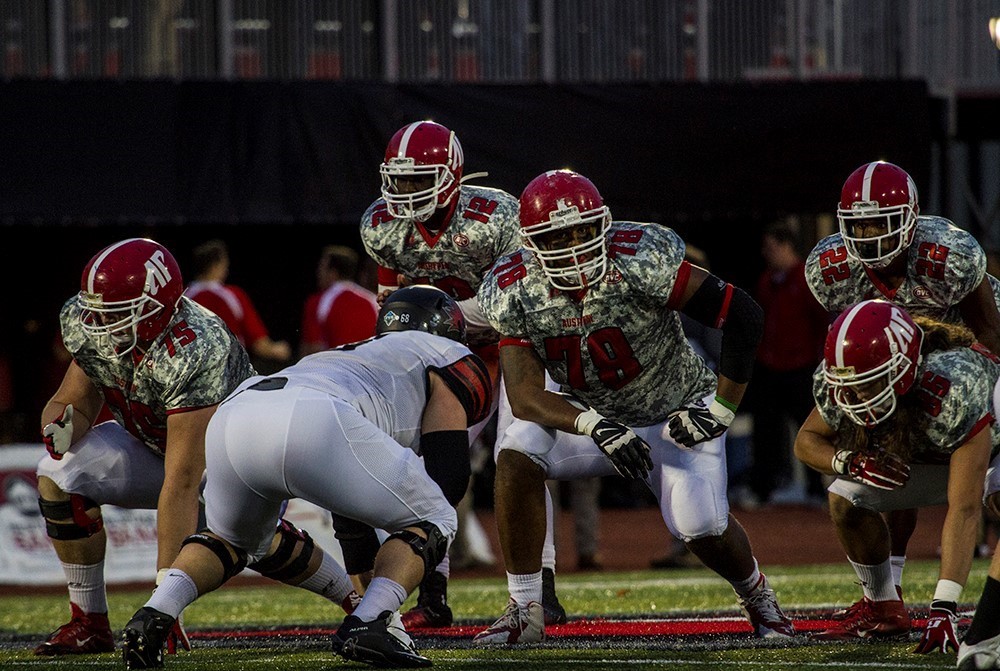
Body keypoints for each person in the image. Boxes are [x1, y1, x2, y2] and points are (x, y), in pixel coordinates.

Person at [473, 169, 794, 644]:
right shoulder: (513, 286)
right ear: (530, 242)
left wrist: (722, 410)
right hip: (596, 419)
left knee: (700, 525)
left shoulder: (641, 258)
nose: (574, 247)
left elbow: (742, 314)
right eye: (558, 237)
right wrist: (593, 424)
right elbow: (524, 396)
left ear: (603, 224)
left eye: (583, 231)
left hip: (675, 414)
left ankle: (758, 596)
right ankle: (525, 609)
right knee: (516, 454)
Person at [121, 286, 493, 670]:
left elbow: (351, 518)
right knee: (436, 515)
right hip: (314, 419)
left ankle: (153, 614)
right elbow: (448, 477)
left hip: (238, 412)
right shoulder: (448, 354)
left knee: (232, 541)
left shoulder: (355, 354)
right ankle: (368, 623)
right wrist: (412, 584)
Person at [32, 238, 359, 659]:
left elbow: (183, 481)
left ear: (157, 306)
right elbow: (74, 400)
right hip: (156, 445)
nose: (99, 323)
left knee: (252, 543)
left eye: (116, 313)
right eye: (97, 311)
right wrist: (60, 424)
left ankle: (353, 599)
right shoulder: (92, 321)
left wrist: (164, 604)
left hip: (235, 460)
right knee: (58, 473)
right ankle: (89, 622)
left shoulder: (197, 345)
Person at [360, 119, 574, 628]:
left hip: (517, 344)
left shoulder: (495, 217)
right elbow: (390, 302)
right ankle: (432, 591)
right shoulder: (380, 224)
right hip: (447, 357)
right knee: (427, 464)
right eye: (399, 179)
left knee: (520, 455)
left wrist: (441, 311)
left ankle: (540, 586)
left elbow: (520, 296)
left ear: (451, 174)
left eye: (418, 179)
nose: (406, 192)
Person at [804, 160, 1000, 619]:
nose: (870, 235)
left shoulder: (948, 254)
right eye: (860, 224)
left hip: (966, 361)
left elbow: (990, 335)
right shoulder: (830, 269)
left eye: (881, 222)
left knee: (983, 488)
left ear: (910, 220)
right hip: (891, 366)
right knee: (882, 447)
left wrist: (972, 399)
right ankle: (884, 596)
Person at [794, 299, 1000, 653]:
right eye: (850, 384)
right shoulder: (844, 379)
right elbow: (806, 440)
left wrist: (943, 608)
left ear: (903, 368)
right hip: (935, 454)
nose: (856, 395)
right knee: (845, 497)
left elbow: (964, 509)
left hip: (992, 449)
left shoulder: (955, 385)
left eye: (868, 383)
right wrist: (849, 462)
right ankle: (882, 607)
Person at [746, 222, 829, 506]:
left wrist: (820, 361)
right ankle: (763, 488)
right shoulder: (767, 280)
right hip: (770, 365)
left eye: (771, 248)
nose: (766, 253)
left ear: (786, 246)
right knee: (765, 431)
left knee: (809, 428)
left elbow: (821, 321)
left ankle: (815, 487)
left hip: (800, 365)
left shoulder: (806, 279)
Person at [184, 239, 292, 368]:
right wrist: (277, 349)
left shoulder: (182, 298)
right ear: (216, 265)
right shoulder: (231, 296)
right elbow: (259, 345)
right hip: (230, 372)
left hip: (190, 372)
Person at [298, 245, 379, 356]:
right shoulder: (373, 301)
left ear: (333, 273)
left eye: (321, 268)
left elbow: (312, 349)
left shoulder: (318, 302)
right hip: (368, 364)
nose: (318, 273)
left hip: (330, 365)